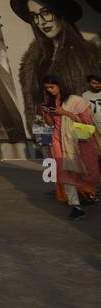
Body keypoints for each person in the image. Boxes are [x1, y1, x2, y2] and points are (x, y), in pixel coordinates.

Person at [13, 0, 101, 127]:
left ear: (59, 13)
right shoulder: (34, 59)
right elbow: (32, 103)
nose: (41, 21)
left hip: (75, 131)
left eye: (46, 12)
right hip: (47, 133)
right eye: (34, 15)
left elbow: (90, 101)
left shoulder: (84, 54)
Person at [41, 75, 100, 219]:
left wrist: (64, 112)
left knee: (88, 170)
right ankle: (76, 206)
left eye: (52, 87)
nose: (50, 90)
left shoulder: (76, 100)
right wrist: (45, 113)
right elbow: (50, 123)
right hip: (58, 139)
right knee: (64, 171)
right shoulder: (49, 101)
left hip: (77, 140)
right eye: (47, 88)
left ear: (60, 85)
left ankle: (87, 195)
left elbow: (87, 123)